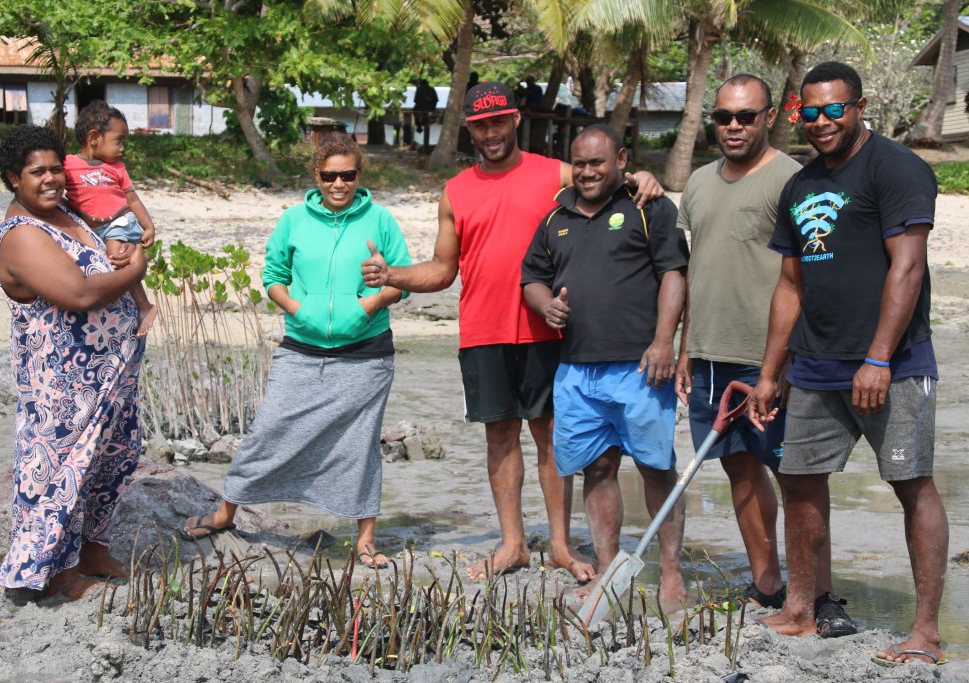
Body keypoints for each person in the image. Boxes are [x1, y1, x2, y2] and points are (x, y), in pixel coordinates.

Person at [361, 82, 669, 591]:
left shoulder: (555, 173)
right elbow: (442, 270)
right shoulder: (455, 190)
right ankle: (512, 543)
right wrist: (391, 274)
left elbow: (610, 175)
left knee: (552, 438)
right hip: (482, 331)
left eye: (499, 121)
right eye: (481, 124)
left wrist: (647, 177)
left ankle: (561, 546)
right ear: (469, 127)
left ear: (515, 120)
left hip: (548, 329)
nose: (491, 132)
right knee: (499, 437)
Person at [748, 62, 949, 665]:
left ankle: (927, 634)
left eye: (834, 109)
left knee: (911, 485)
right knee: (802, 482)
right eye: (808, 112)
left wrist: (878, 358)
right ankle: (802, 608)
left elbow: (907, 268)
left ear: (859, 107)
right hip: (814, 366)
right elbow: (790, 285)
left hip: (895, 364)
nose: (821, 122)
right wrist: (768, 372)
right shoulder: (801, 184)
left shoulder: (898, 169)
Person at [183, 133, 411, 570]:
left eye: (348, 175)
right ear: (316, 176)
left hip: (367, 352)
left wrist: (368, 303)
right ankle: (225, 514)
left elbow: (400, 278)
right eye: (330, 176)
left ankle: (365, 540)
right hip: (301, 347)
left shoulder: (380, 220)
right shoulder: (293, 219)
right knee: (269, 428)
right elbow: (273, 274)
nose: (339, 183)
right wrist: (296, 309)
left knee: (359, 445)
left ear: (359, 175)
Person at [675, 74, 851, 633]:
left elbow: (809, 278)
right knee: (739, 471)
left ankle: (820, 595)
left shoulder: (794, 180)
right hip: (707, 356)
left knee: (795, 476)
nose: (733, 126)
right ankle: (768, 582)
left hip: (772, 360)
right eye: (723, 116)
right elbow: (694, 270)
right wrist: (685, 347)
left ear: (770, 117)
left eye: (745, 117)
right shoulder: (698, 183)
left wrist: (790, 362)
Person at [521, 125, 689, 604]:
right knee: (597, 469)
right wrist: (545, 304)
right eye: (580, 163)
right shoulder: (557, 217)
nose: (588, 172)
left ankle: (672, 574)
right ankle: (609, 568)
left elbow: (674, 275)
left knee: (657, 468)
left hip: (640, 367)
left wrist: (664, 342)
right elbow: (532, 277)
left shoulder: (648, 207)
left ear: (620, 159)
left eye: (598, 162)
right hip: (576, 370)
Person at [0, 125, 148, 600]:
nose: (50, 179)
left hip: (107, 374)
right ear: (13, 179)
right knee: (61, 473)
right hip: (62, 387)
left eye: (56, 168)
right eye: (36, 171)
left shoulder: (65, 213)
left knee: (113, 457)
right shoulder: (22, 234)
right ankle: (54, 573)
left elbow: (110, 248)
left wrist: (124, 250)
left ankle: (92, 548)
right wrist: (137, 269)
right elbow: (79, 294)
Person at [63, 100, 158, 336]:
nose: (123, 147)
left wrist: (148, 226)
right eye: (119, 140)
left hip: (119, 221)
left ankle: (143, 305)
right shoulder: (68, 164)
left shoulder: (117, 168)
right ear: (94, 138)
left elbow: (132, 200)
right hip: (89, 227)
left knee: (117, 257)